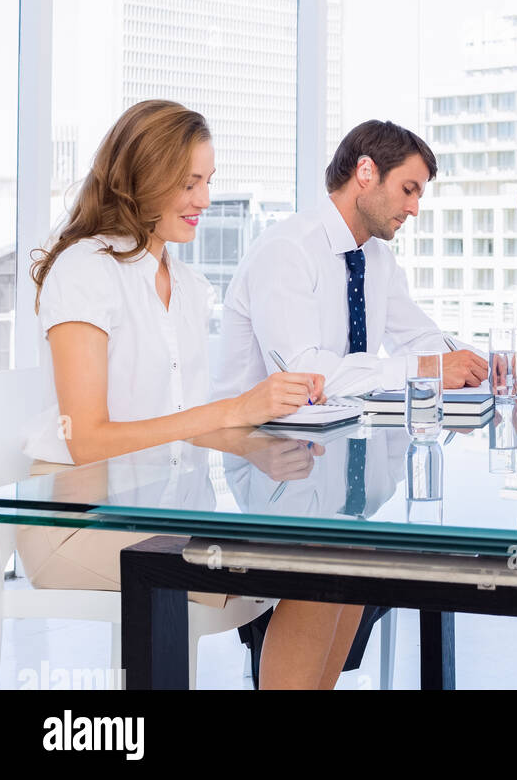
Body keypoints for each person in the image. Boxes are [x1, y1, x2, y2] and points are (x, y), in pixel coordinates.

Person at [18, 100, 362, 691]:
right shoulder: (85, 271)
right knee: (316, 566)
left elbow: (180, 422)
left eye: (208, 181)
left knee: (351, 561)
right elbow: (89, 441)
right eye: (189, 182)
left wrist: (264, 436)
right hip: (80, 524)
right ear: (140, 176)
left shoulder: (188, 285)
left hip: (166, 511)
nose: (204, 199)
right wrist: (232, 411)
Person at [214, 118, 517, 402]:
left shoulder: (377, 258)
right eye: (407, 189)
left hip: (334, 438)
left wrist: (498, 369)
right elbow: (301, 373)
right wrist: (423, 369)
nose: (415, 208)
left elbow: (417, 338)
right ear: (366, 172)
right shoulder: (287, 250)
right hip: (262, 450)